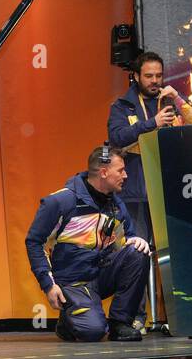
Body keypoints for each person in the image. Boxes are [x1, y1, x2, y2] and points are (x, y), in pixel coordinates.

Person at [107, 50, 192, 325]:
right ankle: (135, 317)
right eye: (148, 76)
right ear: (135, 76)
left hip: (169, 191)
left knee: (172, 253)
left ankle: (177, 316)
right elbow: (116, 138)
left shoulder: (170, 100)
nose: (154, 80)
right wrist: (152, 124)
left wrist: (179, 100)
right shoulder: (122, 106)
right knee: (136, 254)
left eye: (159, 75)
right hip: (135, 194)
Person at [25, 146, 152, 342]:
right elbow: (34, 242)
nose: (125, 175)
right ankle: (68, 321)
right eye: (121, 170)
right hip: (74, 281)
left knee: (138, 251)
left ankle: (120, 323)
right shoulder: (61, 201)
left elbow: (126, 238)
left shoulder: (116, 204)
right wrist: (48, 285)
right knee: (92, 332)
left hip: (101, 275)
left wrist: (134, 240)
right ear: (103, 172)